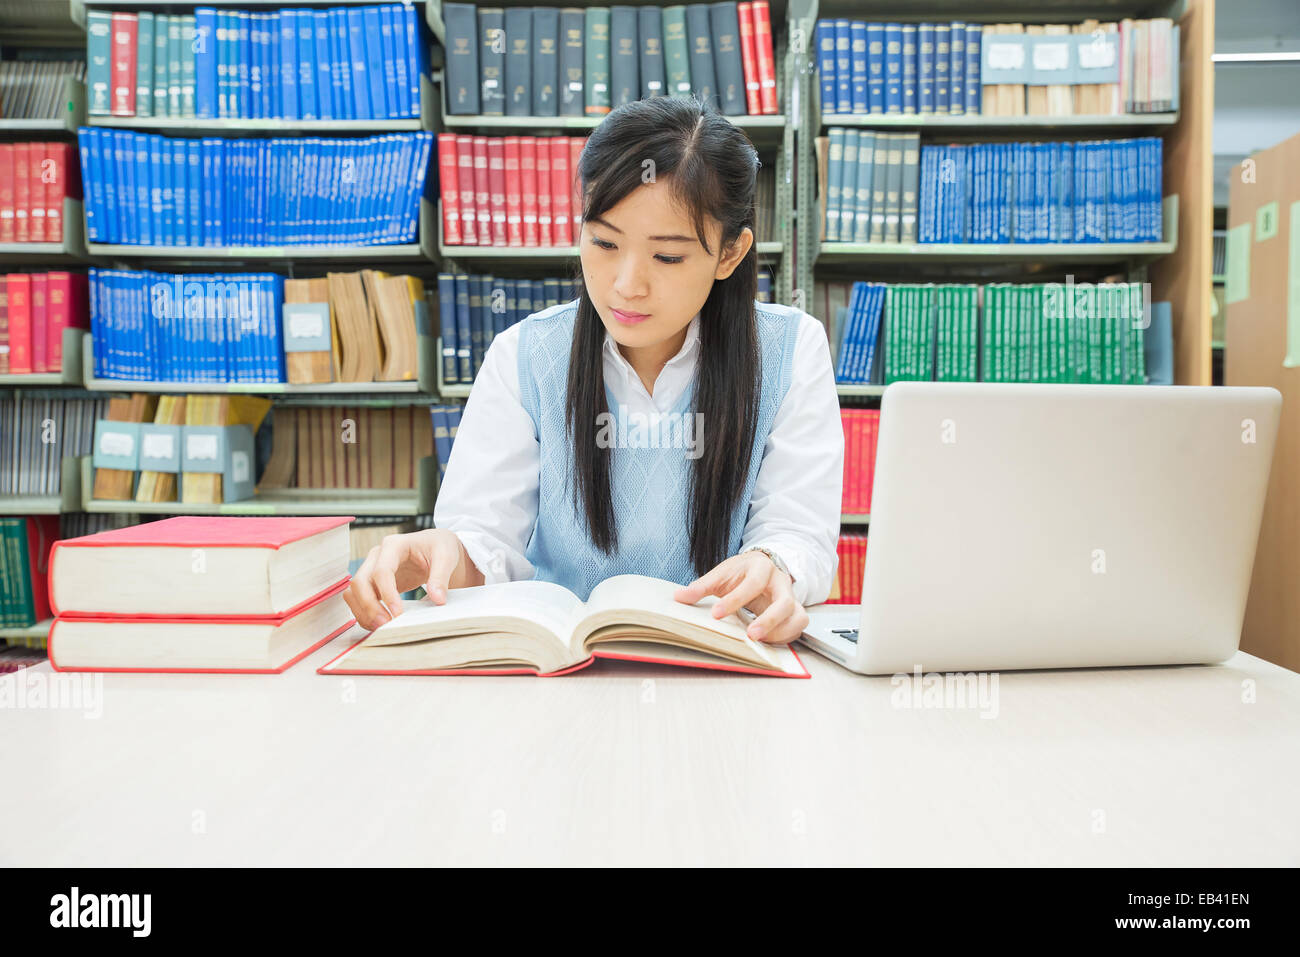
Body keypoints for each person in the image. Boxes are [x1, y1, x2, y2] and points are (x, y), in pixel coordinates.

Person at [345, 94, 843, 645]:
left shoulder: (790, 349)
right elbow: (485, 542)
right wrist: (443, 552)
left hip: (723, 665)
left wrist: (775, 563)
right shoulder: (525, 354)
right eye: (604, 242)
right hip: (560, 670)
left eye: (668, 256)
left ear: (730, 254)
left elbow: (797, 532)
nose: (627, 284)